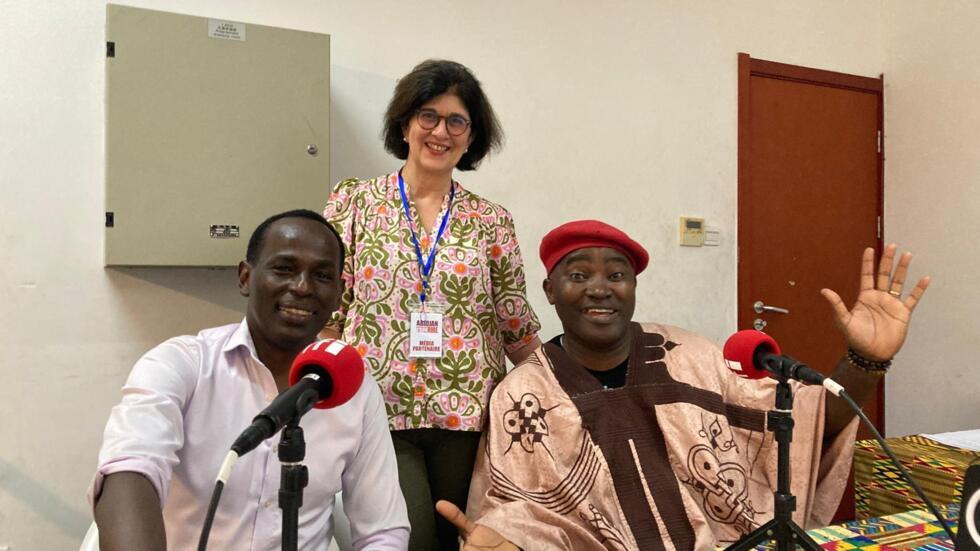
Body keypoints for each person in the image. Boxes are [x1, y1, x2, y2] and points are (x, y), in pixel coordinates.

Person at [436, 219, 930, 550]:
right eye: (578, 274)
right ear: (549, 290)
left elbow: (799, 427)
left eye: (617, 273)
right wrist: (505, 537)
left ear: (634, 286)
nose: (600, 287)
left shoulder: (690, 357)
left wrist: (866, 360)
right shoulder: (522, 396)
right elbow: (514, 512)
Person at [89, 210, 409, 551]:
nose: (302, 287)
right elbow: (130, 470)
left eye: (322, 275)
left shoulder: (353, 389)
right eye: (284, 269)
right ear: (245, 277)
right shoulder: (182, 364)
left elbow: (382, 533)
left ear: (339, 292)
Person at [321, 59, 541, 551]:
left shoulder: (491, 221)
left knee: (467, 540)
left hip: (469, 415)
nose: (441, 131)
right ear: (404, 123)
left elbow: (515, 325)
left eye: (456, 121)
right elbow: (331, 316)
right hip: (379, 408)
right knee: (408, 539)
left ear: (470, 137)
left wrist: (568, 397)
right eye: (428, 116)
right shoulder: (353, 204)